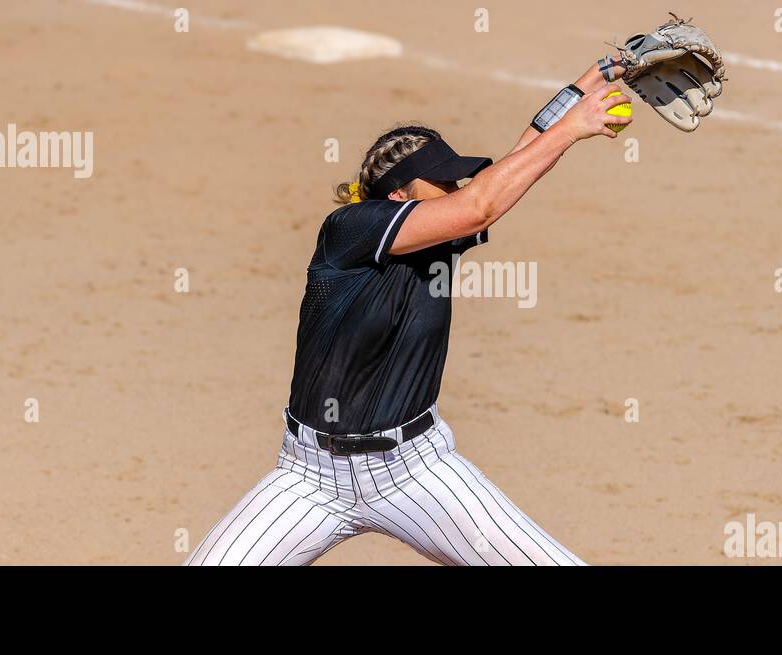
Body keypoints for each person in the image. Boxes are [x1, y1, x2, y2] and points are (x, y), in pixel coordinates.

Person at [185, 59, 631, 566]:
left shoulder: (441, 228)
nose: (456, 187)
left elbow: (515, 165)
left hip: (416, 471)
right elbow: (479, 206)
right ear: (397, 195)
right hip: (308, 478)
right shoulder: (352, 229)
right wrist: (573, 129)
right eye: (440, 181)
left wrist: (594, 78)